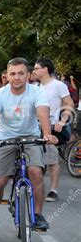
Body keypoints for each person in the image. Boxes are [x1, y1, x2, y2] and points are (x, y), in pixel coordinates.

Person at [0, 57, 58, 236]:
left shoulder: (37, 92)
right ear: (6, 76)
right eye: (12, 74)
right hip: (5, 137)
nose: (17, 77)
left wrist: (47, 134)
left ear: (29, 75)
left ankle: (37, 215)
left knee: (36, 172)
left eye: (21, 73)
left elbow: (43, 115)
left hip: (30, 136)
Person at [33, 59, 74, 202]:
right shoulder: (35, 87)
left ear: (45, 69)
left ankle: (53, 190)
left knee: (51, 157)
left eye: (36, 68)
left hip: (51, 126)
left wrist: (62, 121)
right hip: (34, 127)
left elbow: (69, 103)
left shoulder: (58, 85)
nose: (34, 71)